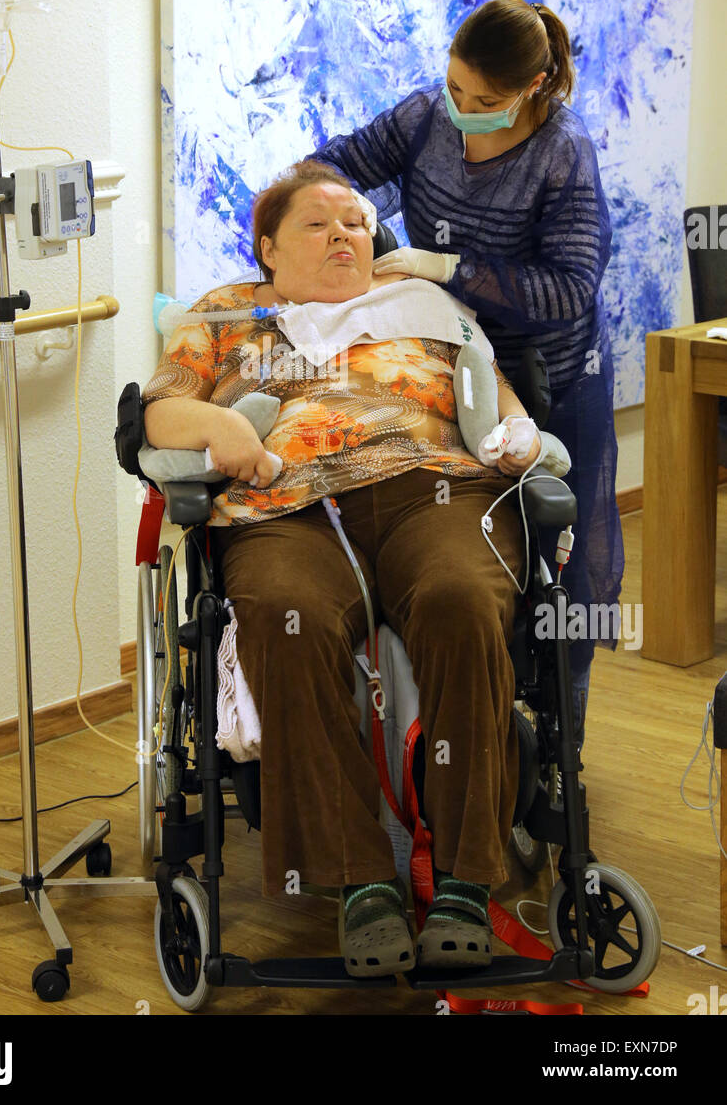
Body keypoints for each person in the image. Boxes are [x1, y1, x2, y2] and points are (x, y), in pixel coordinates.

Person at [140, 161, 541, 976]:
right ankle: (361, 880)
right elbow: (158, 411)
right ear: (268, 247)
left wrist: (523, 439)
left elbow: (500, 403)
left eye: (355, 223)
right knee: (287, 615)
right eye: (318, 226)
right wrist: (221, 424)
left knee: (464, 600)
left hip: (434, 490)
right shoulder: (224, 313)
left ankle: (465, 879)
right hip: (286, 507)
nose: (344, 237)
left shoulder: (426, 305)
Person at [306, 0, 624, 755]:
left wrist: (448, 267)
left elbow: (570, 289)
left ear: (535, 86)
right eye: (454, 88)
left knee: (557, 559)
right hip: (455, 353)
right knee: (474, 548)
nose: (462, 111)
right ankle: (469, 734)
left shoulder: (563, 154)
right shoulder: (426, 117)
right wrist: (351, 222)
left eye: (483, 103)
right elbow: (327, 169)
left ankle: (556, 750)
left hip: (550, 368)